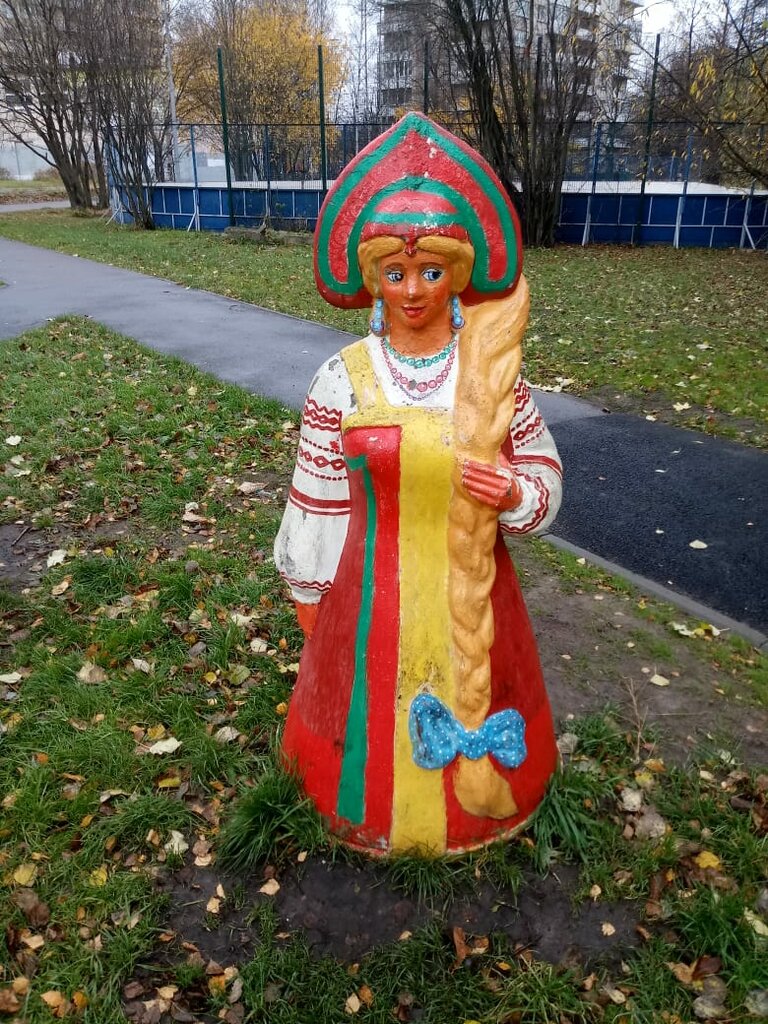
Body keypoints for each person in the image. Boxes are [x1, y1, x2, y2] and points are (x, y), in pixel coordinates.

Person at [274, 113, 562, 856]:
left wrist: (515, 494)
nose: (412, 291)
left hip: (477, 599)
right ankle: (361, 800)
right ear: (373, 278)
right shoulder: (340, 379)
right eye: (396, 274)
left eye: (430, 272)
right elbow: (318, 495)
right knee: (356, 737)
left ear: (457, 276)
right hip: (366, 607)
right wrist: (311, 596)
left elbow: (543, 472)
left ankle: (484, 798)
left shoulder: (494, 380)